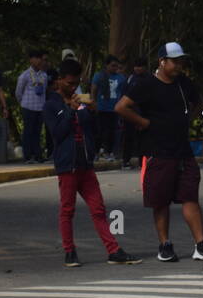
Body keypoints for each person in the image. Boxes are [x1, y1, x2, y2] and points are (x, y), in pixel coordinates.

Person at [116, 42, 203, 263]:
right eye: (174, 61)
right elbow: (121, 107)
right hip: (157, 150)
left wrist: (187, 119)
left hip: (182, 150)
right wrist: (144, 123)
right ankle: (164, 244)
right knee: (161, 200)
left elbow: (198, 103)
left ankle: (201, 244)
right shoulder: (146, 84)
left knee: (190, 196)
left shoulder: (184, 84)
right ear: (162, 61)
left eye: (181, 61)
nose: (178, 66)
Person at [46, 58, 141, 267]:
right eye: (69, 83)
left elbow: (93, 132)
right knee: (67, 210)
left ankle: (113, 250)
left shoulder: (79, 101)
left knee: (98, 209)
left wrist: (92, 111)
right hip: (67, 165)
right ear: (59, 81)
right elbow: (58, 133)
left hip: (85, 164)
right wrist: (70, 110)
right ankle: (69, 251)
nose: (73, 87)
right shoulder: (52, 104)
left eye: (76, 83)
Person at [15, 49, 50, 163]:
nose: (39, 60)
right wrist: (23, 102)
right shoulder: (25, 75)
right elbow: (18, 92)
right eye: (36, 57)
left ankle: (38, 155)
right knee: (28, 132)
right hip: (28, 106)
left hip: (40, 107)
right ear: (31, 60)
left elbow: (44, 91)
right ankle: (28, 156)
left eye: (40, 58)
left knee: (37, 132)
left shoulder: (44, 75)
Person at [91, 56, 126, 160]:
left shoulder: (121, 78)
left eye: (116, 66)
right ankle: (96, 152)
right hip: (101, 108)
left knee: (111, 132)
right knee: (99, 131)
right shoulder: (99, 76)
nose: (115, 68)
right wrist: (94, 103)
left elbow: (123, 93)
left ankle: (109, 152)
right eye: (112, 65)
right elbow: (93, 89)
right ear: (107, 65)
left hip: (114, 108)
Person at [121, 57, 149, 169]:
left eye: (140, 66)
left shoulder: (149, 79)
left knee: (142, 139)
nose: (137, 69)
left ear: (145, 67)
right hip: (130, 112)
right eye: (136, 66)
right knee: (128, 137)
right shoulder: (130, 78)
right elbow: (124, 94)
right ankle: (125, 161)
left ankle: (142, 161)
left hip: (143, 113)